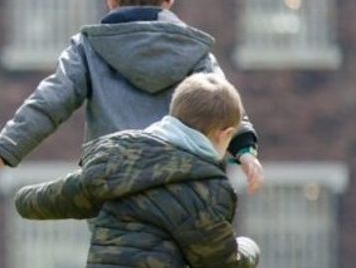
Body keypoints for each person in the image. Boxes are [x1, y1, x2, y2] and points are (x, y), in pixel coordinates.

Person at [0, 0, 263, 194]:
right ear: (168, 0)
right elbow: (222, 104)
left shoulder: (88, 49)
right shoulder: (193, 52)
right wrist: (244, 151)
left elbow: (52, 99)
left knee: (113, 250)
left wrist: (5, 148)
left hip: (113, 187)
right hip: (181, 188)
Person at [13, 73, 261, 267]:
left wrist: (25, 199)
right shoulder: (204, 190)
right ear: (225, 134)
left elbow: (64, 195)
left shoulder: (121, 158)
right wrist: (248, 248)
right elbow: (220, 261)